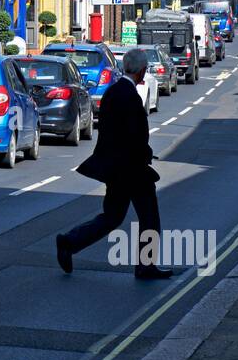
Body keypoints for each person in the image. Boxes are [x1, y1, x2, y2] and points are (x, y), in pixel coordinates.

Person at [56, 47, 172, 280]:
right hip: (133, 170)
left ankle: (69, 242)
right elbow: (135, 136)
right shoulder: (130, 97)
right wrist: (145, 154)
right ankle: (145, 266)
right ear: (141, 72)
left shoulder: (112, 92)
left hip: (115, 169)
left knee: (112, 217)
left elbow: (109, 132)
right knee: (150, 217)